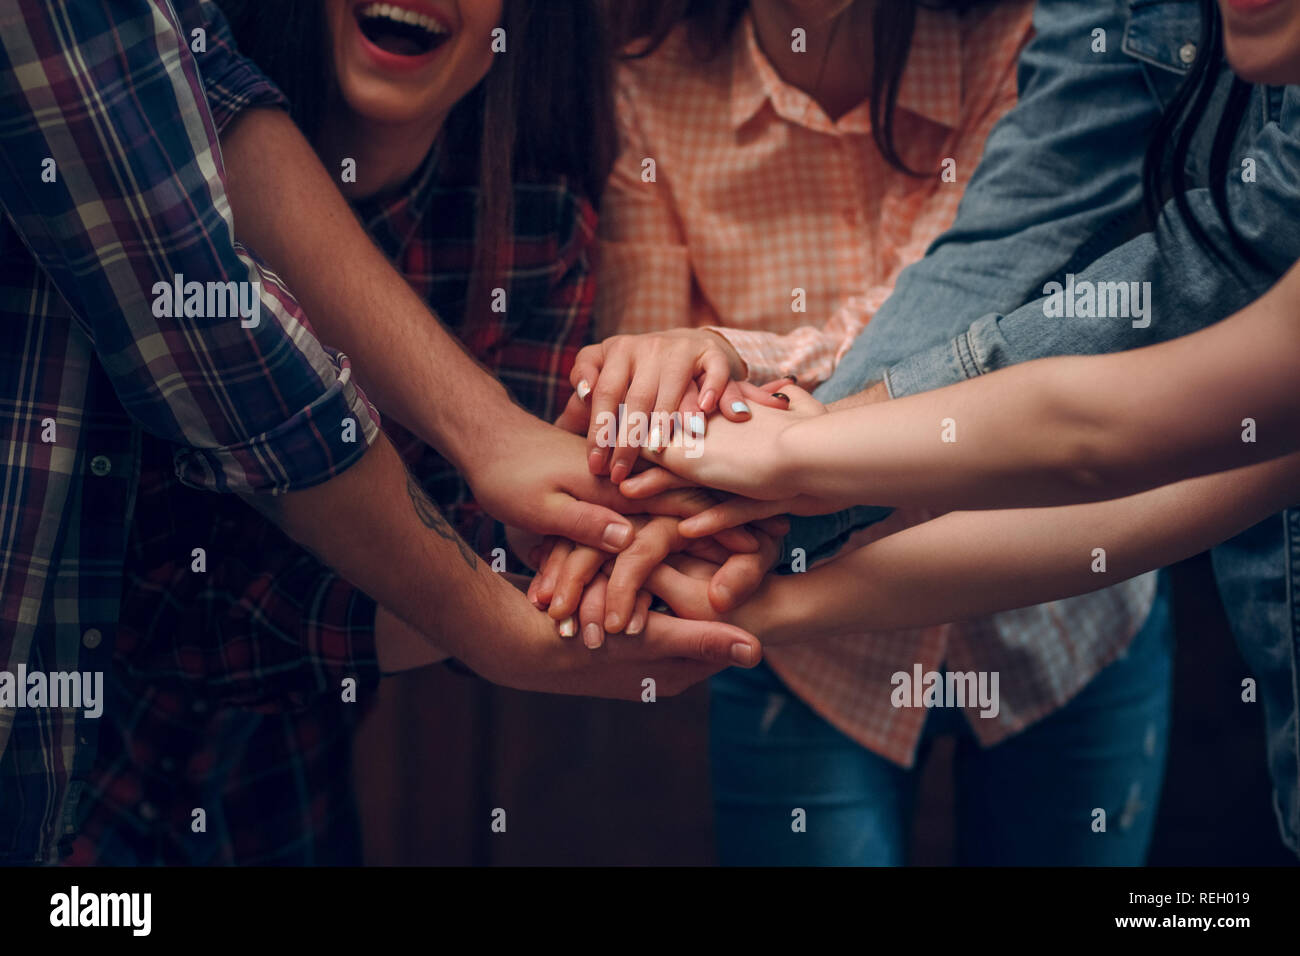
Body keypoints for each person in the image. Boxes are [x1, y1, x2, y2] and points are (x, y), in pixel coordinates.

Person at [0, 0, 756, 865]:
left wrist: (620, 548)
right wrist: (492, 593)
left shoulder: (531, 232)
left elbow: (528, 557)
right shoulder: (157, 182)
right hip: (70, 775)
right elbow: (181, 610)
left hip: (283, 785)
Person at [631, 0, 1300, 858]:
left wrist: (794, 451)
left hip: (1067, 651)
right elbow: (1192, 492)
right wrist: (775, 581)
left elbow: (1103, 429)